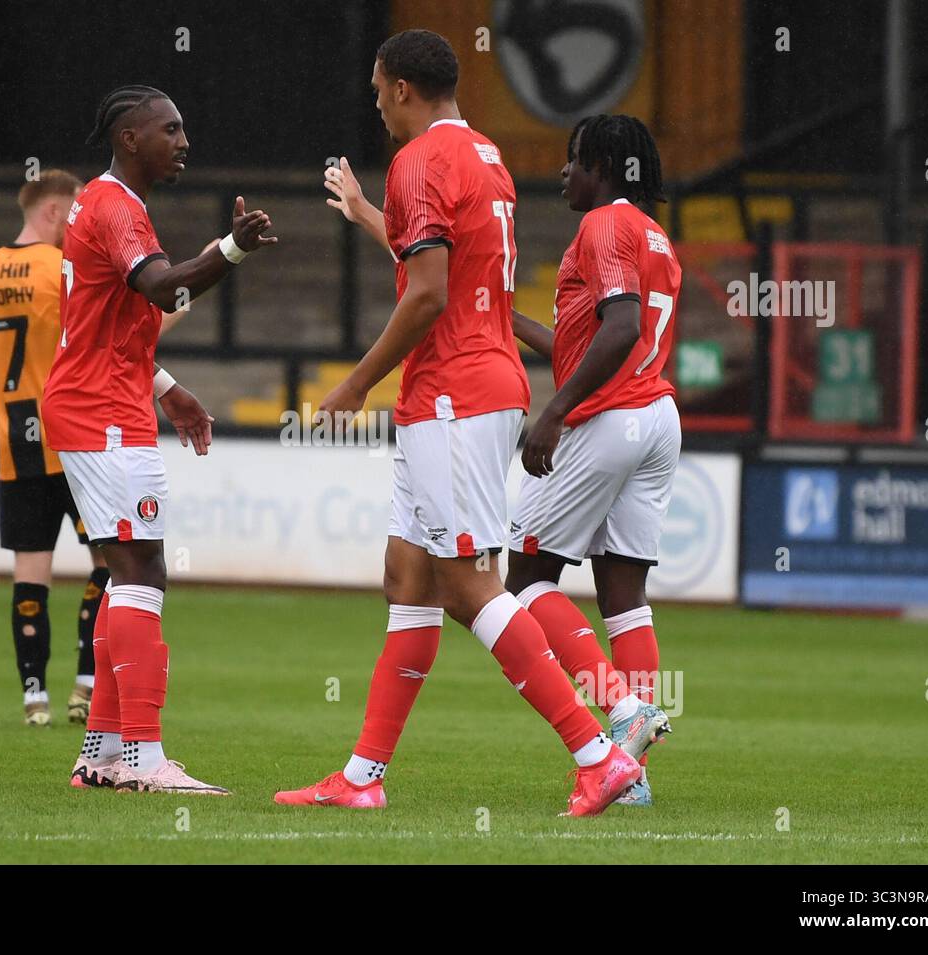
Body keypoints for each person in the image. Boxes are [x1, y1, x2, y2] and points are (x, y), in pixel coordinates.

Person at [274, 31, 641, 816]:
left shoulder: (418, 160)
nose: (377, 106)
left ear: (403, 87)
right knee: (409, 579)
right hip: (463, 391)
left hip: (453, 396)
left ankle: (598, 752)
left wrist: (354, 385)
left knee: (474, 587)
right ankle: (363, 776)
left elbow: (429, 294)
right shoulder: (486, 156)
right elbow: (445, 269)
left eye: (378, 90)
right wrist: (373, 216)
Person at [44, 84, 276, 794]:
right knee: (144, 567)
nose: (184, 141)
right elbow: (163, 289)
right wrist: (231, 250)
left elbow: (108, 327)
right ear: (128, 139)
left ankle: (102, 752)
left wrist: (166, 385)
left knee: (128, 570)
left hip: (101, 402)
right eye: (169, 129)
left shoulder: (102, 202)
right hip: (102, 414)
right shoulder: (116, 207)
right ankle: (144, 757)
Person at [508, 114, 683, 807]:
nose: (564, 173)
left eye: (574, 160)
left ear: (605, 166)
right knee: (624, 595)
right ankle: (631, 774)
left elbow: (620, 328)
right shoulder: (656, 235)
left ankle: (620, 712)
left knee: (521, 578)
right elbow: (594, 337)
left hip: (608, 419)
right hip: (657, 419)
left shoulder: (604, 225)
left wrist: (551, 413)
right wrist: (505, 321)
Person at [0, 168, 109, 727]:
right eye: (73, 217)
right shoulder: (62, 270)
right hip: (72, 436)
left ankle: (33, 698)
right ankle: (86, 685)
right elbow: (96, 336)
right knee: (108, 563)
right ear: (53, 212)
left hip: (14, 439)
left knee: (30, 571)